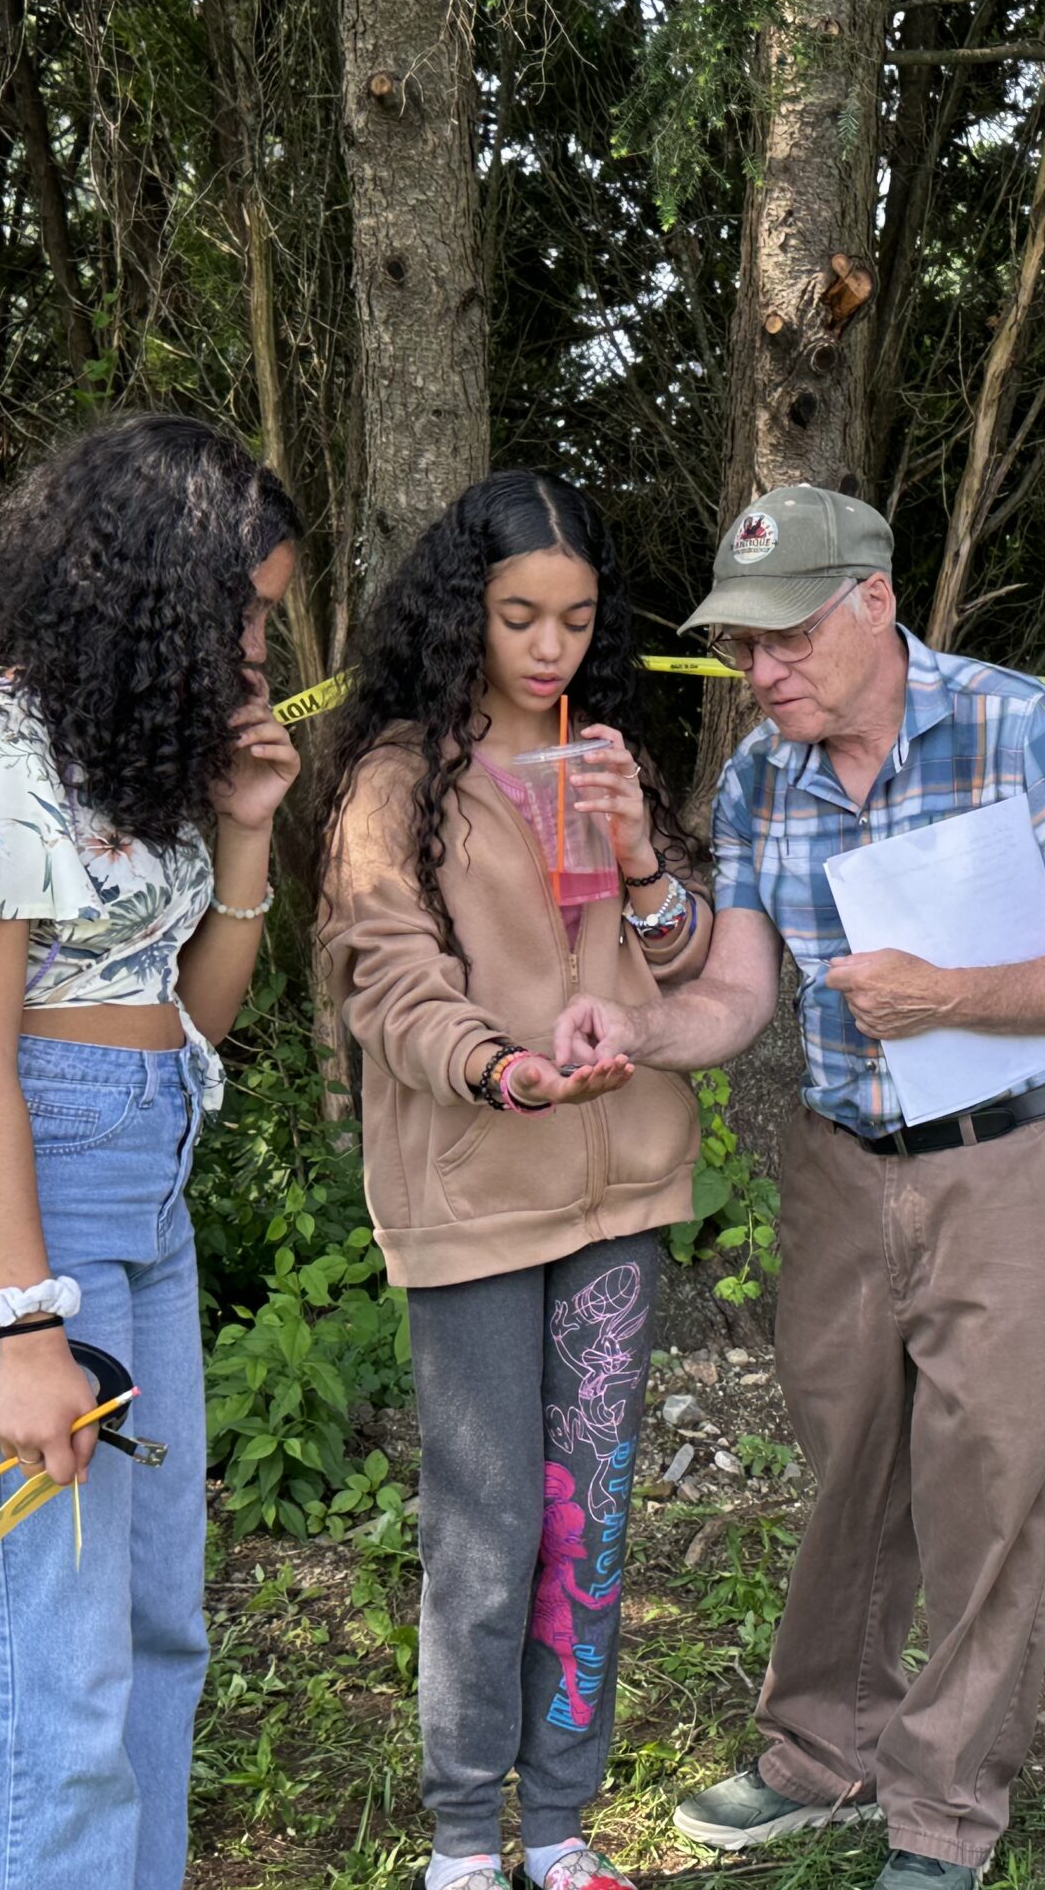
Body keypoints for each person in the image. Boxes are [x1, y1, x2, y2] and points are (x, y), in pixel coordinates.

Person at [551, 484, 1045, 1890]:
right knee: (850, 1465)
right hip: (841, 1169)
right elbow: (736, 993)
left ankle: (944, 1811)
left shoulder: (1017, 726)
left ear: (877, 601)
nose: (760, 670)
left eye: (787, 638)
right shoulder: (763, 777)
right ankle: (823, 1751)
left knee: (994, 1484)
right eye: (742, 645)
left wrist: (951, 994)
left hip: (1014, 1162)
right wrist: (638, 1031)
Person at [0, 414, 302, 1890]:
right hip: (15, 1217)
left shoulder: (137, 748)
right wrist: (26, 1332)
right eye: (246, 612)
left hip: (141, 1197)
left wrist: (245, 836)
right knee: (43, 1669)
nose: (261, 648)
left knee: (150, 1628)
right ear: (161, 590)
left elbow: (188, 1022)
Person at [314, 471, 712, 1890]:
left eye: (577, 619)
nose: (549, 647)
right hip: (477, 1193)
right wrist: (497, 1068)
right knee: (484, 1530)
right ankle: (458, 1839)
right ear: (461, 614)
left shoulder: (610, 756)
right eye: (518, 616)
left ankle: (559, 1826)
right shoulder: (393, 782)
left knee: (588, 1519)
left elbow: (686, 961)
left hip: (622, 1192)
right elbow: (386, 979)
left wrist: (646, 856)